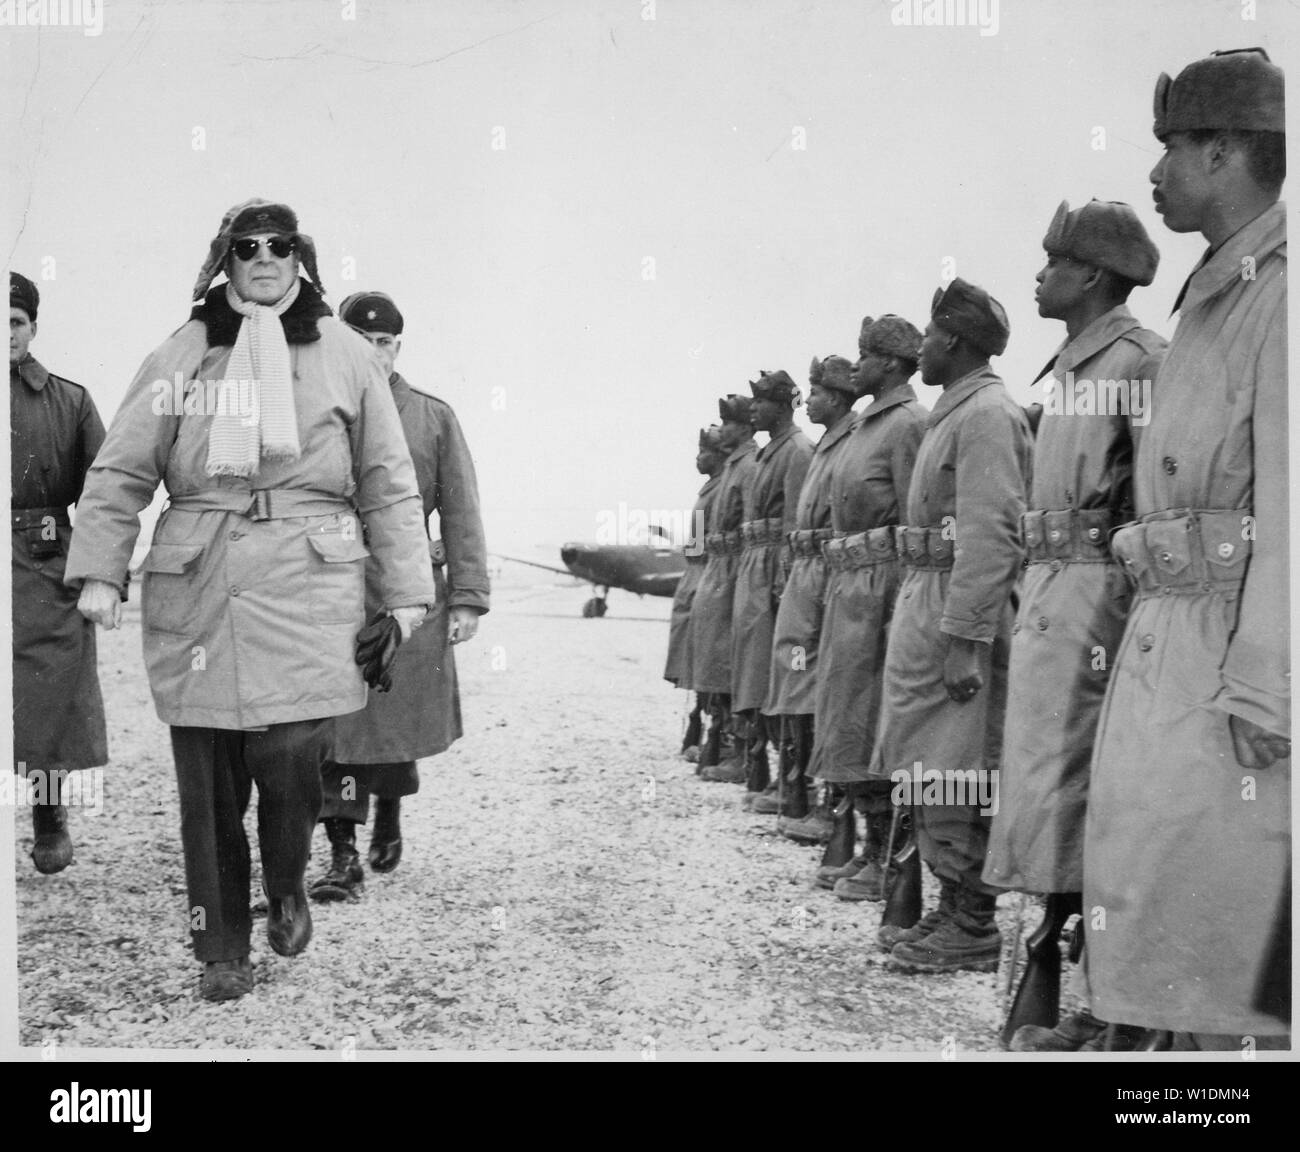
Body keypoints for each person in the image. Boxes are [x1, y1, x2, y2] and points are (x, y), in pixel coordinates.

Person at [65, 199, 436, 1002]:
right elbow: (123, 468)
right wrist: (102, 568)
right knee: (207, 784)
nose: (264, 257)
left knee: (292, 758)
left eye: (280, 245)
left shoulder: (343, 353)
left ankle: (291, 881)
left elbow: (388, 482)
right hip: (201, 581)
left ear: (299, 257)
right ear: (224, 260)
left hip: (310, 581)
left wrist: (405, 599)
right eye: (247, 246)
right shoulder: (185, 352)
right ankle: (221, 948)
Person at [1083, 49, 1289, 1050]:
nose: (1155, 173)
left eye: (1169, 150)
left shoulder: (1281, 296)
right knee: (1165, 911)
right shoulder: (1218, 291)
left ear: (1223, 149)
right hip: (1176, 642)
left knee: (1223, 946)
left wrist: (1267, 687)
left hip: (1229, 664)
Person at [983, 200, 1166, 1051]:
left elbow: (1157, 505)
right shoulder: (1072, 373)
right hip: (1054, 598)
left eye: (1053, 261)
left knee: (1094, 799)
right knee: (1049, 793)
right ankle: (1069, 980)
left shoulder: (1139, 364)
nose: (1039, 274)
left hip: (1102, 608)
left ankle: (1103, 1002)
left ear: (1091, 275)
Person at [870, 278, 1031, 973]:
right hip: (928, 594)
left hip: (956, 606)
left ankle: (972, 920)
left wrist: (968, 639)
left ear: (955, 341)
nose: (920, 347)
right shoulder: (954, 412)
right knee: (929, 761)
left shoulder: (987, 413)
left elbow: (991, 533)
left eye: (930, 336)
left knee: (958, 766)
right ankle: (950, 907)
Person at [311, 291, 490, 900]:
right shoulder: (320, 408)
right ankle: (342, 855)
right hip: (329, 585)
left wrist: (466, 597)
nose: (374, 354)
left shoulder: (433, 418)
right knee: (334, 724)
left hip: (405, 592)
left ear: (397, 348)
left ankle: (388, 805)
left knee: (391, 722)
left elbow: (462, 511)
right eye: (362, 344)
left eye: (384, 344)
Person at [809, 315, 925, 898]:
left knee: (876, 720)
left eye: (867, 354)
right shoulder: (866, 428)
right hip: (851, 586)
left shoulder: (906, 424)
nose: (857, 364)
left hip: (883, 591)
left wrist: (901, 601)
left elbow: (914, 517)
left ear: (893, 363)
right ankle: (864, 844)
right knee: (848, 718)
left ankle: (885, 856)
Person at [10, 271, 109, 874]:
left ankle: (47, 815)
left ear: (33, 327)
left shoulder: (67, 401)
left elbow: (104, 492)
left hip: (42, 559)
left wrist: (100, 571)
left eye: (14, 322)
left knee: (45, 693)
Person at [757, 355, 855, 833]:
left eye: (816, 393)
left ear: (834, 398)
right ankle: (796, 788)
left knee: (817, 684)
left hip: (824, 574)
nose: (808, 400)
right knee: (795, 678)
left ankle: (820, 800)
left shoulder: (810, 449)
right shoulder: (824, 446)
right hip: (805, 573)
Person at [729, 371, 812, 797]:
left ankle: (793, 779)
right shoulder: (766, 454)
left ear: (782, 405)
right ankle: (762, 764)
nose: (754, 409)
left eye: (761, 401)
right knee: (756, 671)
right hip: (754, 565)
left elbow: (798, 523)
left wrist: (786, 579)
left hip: (775, 569)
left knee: (782, 674)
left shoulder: (796, 451)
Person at [691, 396, 757, 779]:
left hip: (734, 570)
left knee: (731, 661)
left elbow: (749, 526)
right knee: (715, 660)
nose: (723, 430)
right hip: (717, 570)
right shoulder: (732, 468)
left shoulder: (745, 466)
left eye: (727, 424)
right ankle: (722, 739)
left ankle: (738, 748)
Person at [663, 425, 726, 760]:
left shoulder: (719, 489)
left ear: (718, 455)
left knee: (710, 659)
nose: (697, 457)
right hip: (697, 574)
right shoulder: (710, 488)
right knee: (697, 658)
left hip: (708, 574)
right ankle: (703, 729)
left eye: (703, 451)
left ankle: (720, 737)